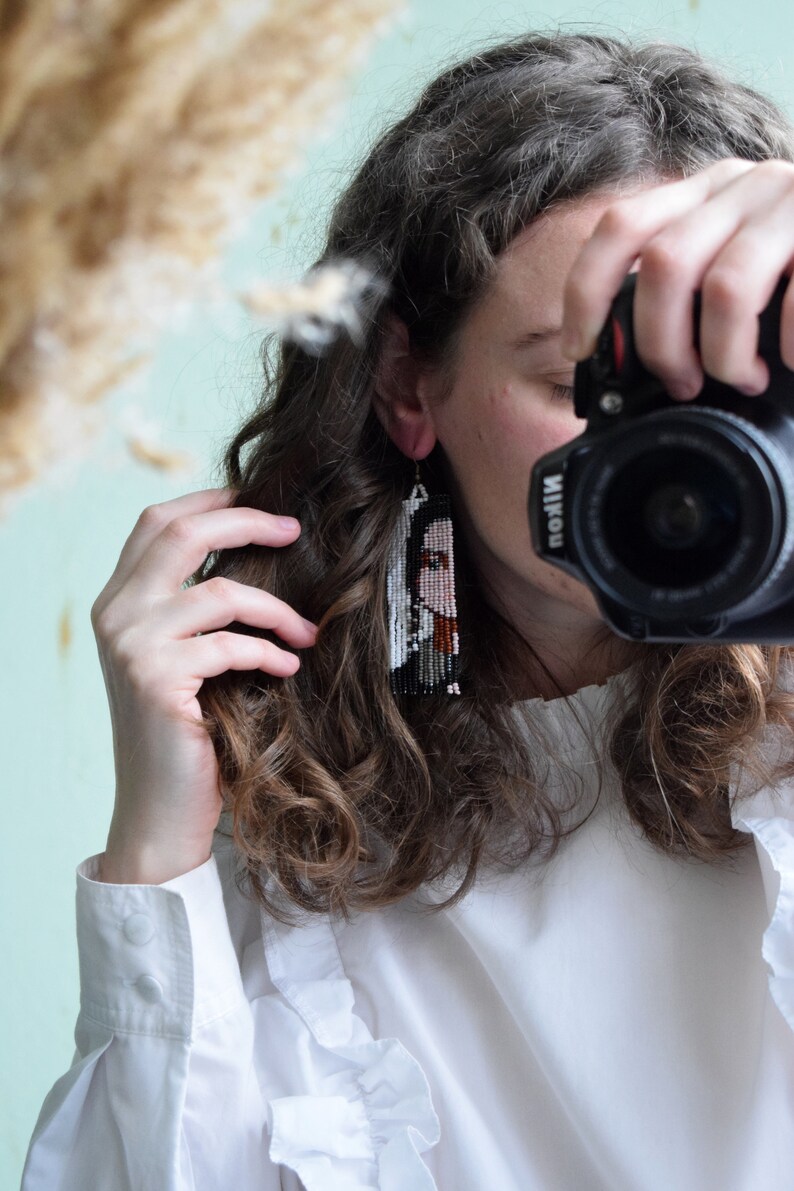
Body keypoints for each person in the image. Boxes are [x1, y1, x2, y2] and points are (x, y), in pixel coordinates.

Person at [22, 30, 794, 1191]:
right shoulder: (300, 787)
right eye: (584, 384)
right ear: (405, 388)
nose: (659, 453)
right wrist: (158, 859)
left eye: (710, 380)